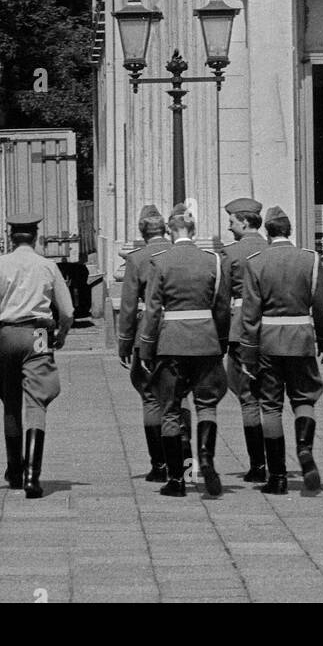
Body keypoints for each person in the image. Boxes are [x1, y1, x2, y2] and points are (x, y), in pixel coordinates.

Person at [0, 212, 74, 499]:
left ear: (11, 237)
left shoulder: (0, 265)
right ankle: (33, 477)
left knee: (10, 400)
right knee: (37, 401)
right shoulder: (47, 266)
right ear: (36, 237)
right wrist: (62, 334)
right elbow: (67, 311)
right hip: (39, 334)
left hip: (8, 334)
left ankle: (14, 471)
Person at [240, 206, 323, 495]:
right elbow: (322, 306)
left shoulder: (256, 262)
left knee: (270, 405)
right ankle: (304, 450)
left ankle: (278, 476)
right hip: (301, 338)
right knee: (304, 397)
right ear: (289, 230)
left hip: (268, 339)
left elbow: (250, 313)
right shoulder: (309, 259)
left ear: (267, 232)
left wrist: (248, 353)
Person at [139, 201, 230, 498]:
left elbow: (152, 310)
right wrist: (221, 341)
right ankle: (205, 457)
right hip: (205, 340)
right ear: (194, 230)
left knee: (170, 409)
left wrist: (146, 349)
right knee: (206, 404)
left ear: (169, 229)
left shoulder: (161, 262)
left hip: (171, 341)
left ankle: (176, 480)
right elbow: (222, 306)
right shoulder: (212, 260)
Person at [117, 204, 171, 481]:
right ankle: (183, 461)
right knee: (177, 398)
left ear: (141, 232)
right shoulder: (178, 254)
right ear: (165, 230)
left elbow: (127, 307)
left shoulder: (137, 260)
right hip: (178, 332)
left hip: (146, 333)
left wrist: (124, 343)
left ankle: (159, 465)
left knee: (150, 397)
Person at [219, 196, 269, 482]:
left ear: (245, 221)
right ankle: (275, 461)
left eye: (232, 222)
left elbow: (222, 296)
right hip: (272, 330)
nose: (229, 227)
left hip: (240, 329)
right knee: (271, 401)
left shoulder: (231, 254)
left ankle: (258, 465)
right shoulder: (272, 249)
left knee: (248, 398)